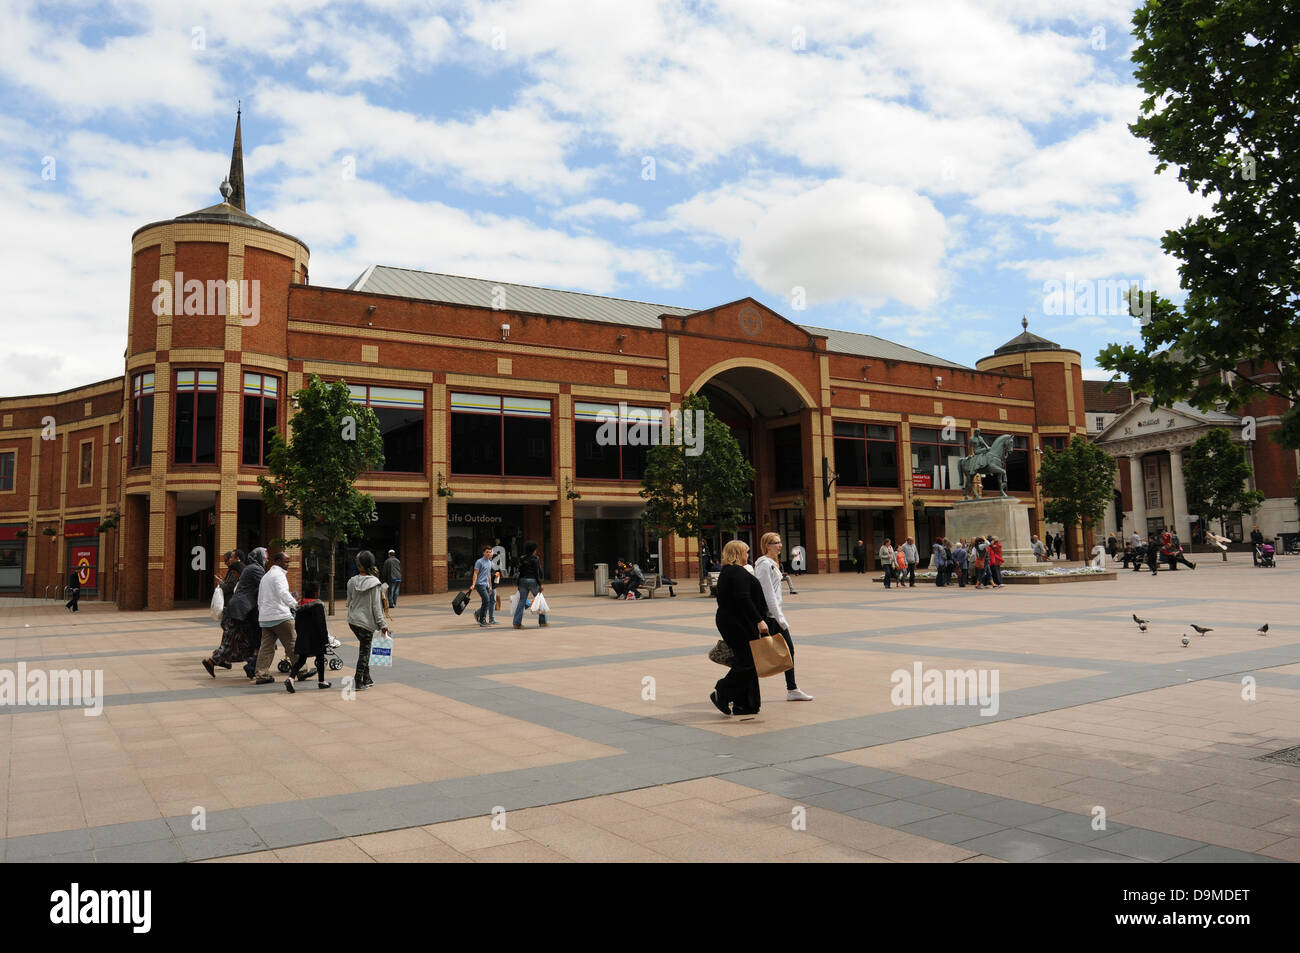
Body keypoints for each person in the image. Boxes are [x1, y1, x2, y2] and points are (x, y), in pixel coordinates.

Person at [709, 540, 769, 717]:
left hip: (734, 621)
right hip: (737, 623)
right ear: (737, 553)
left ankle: (745, 704)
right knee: (748, 662)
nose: (748, 556)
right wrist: (759, 620)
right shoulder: (736, 572)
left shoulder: (729, 571)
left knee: (744, 660)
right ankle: (722, 692)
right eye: (746, 552)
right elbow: (743, 598)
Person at [755, 532, 813, 702]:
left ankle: (792, 688)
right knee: (784, 651)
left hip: (773, 615)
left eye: (780, 542)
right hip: (770, 617)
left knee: (782, 652)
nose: (779, 545)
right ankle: (792, 689)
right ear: (767, 545)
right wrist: (780, 618)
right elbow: (768, 594)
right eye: (775, 542)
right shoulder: (764, 565)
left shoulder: (773, 563)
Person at [253, 551, 298, 685]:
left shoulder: (266, 576)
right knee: (292, 644)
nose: (288, 564)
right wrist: (295, 605)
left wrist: (262, 613)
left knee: (266, 648)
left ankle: (262, 674)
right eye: (286, 561)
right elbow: (283, 592)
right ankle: (301, 670)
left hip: (265, 618)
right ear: (278, 561)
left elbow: (260, 598)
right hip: (280, 616)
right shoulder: (278, 575)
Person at [346, 550, 387, 691]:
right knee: (365, 651)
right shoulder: (375, 583)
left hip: (352, 621)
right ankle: (357, 680)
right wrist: (383, 624)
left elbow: (349, 601)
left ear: (358, 565)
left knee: (365, 648)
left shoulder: (351, 581)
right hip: (366, 622)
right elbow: (377, 607)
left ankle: (367, 678)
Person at [204, 550, 245, 677]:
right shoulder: (237, 569)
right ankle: (218, 659)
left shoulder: (237, 568)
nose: (227, 562)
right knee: (231, 634)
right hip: (236, 608)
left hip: (234, 607)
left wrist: (221, 584)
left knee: (230, 634)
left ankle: (221, 659)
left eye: (229, 559)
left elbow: (230, 587)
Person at [228, 548, 267, 679]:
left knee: (244, 638)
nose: (266, 559)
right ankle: (250, 665)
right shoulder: (256, 569)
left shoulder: (251, 567)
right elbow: (265, 586)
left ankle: (251, 665)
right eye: (264, 557)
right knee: (238, 638)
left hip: (243, 607)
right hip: (244, 608)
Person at [285, 579, 329, 692]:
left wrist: (300, 634)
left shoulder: (300, 604)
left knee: (301, 660)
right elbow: (321, 624)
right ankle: (321, 681)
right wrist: (325, 639)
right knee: (320, 658)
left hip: (303, 637)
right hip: (316, 638)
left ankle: (290, 678)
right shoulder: (318, 605)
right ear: (315, 593)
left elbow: (297, 623)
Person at [514, 540, 548, 629]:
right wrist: (540, 584)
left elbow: (520, 572)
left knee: (521, 602)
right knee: (539, 600)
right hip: (532, 581)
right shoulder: (535, 558)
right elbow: (537, 573)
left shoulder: (522, 558)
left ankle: (517, 623)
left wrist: (518, 584)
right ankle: (542, 622)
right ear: (534, 550)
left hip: (522, 580)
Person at [472, 545, 499, 626]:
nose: (488, 553)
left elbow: (489, 575)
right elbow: (475, 573)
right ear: (483, 553)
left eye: (490, 552)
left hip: (486, 585)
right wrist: (473, 584)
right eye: (487, 552)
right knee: (487, 600)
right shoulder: (479, 562)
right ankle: (482, 620)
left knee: (487, 602)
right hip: (480, 584)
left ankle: (480, 617)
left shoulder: (490, 563)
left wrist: (490, 586)